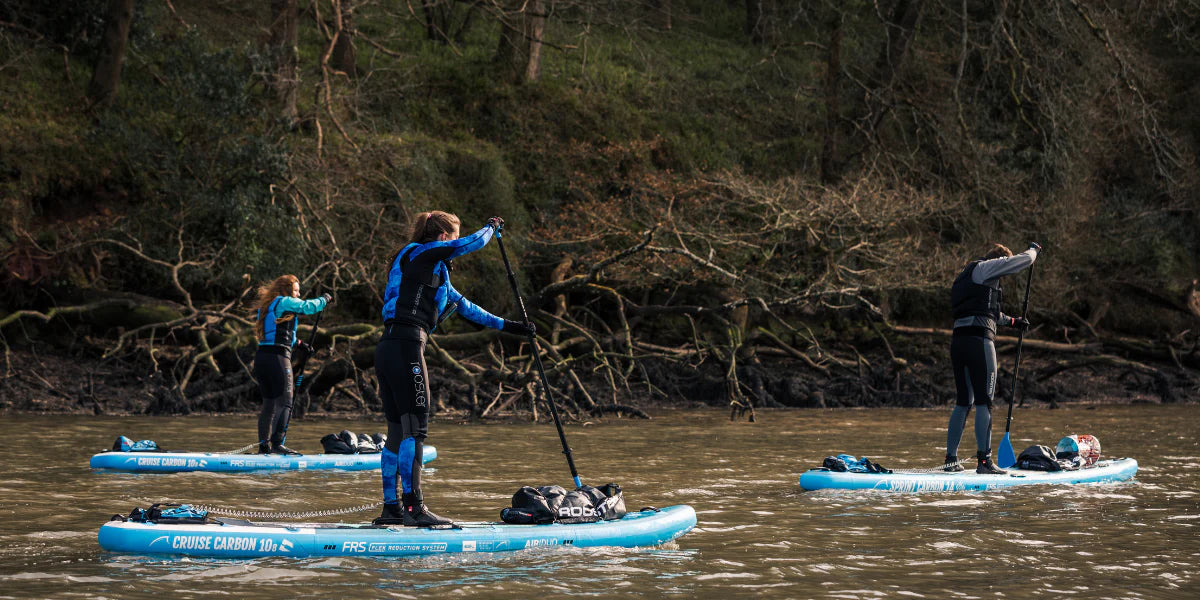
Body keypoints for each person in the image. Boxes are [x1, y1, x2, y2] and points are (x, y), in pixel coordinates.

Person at [373, 211, 534, 527]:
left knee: (396, 432)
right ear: (444, 236)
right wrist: (491, 227)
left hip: (388, 348)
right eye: (453, 235)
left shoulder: (428, 268)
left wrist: (513, 327)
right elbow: (472, 243)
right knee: (415, 429)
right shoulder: (424, 251)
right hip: (406, 347)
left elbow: (469, 309)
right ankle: (414, 508)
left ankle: (392, 508)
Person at [945, 241, 1040, 474]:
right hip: (979, 343)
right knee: (984, 402)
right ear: (998, 261)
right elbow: (1024, 261)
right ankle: (984, 462)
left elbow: (987, 312)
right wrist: (1033, 251)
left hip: (959, 343)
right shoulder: (988, 266)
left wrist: (1013, 322)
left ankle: (950, 460)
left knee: (963, 402)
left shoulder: (966, 277)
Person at [252, 275, 330, 455]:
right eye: (296, 290)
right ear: (286, 291)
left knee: (269, 405)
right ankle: (278, 445)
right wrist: (324, 299)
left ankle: (264, 447)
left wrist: (301, 345)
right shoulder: (285, 301)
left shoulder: (268, 305)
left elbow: (279, 333)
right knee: (285, 402)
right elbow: (308, 307)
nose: (299, 294)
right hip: (278, 358)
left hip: (262, 358)